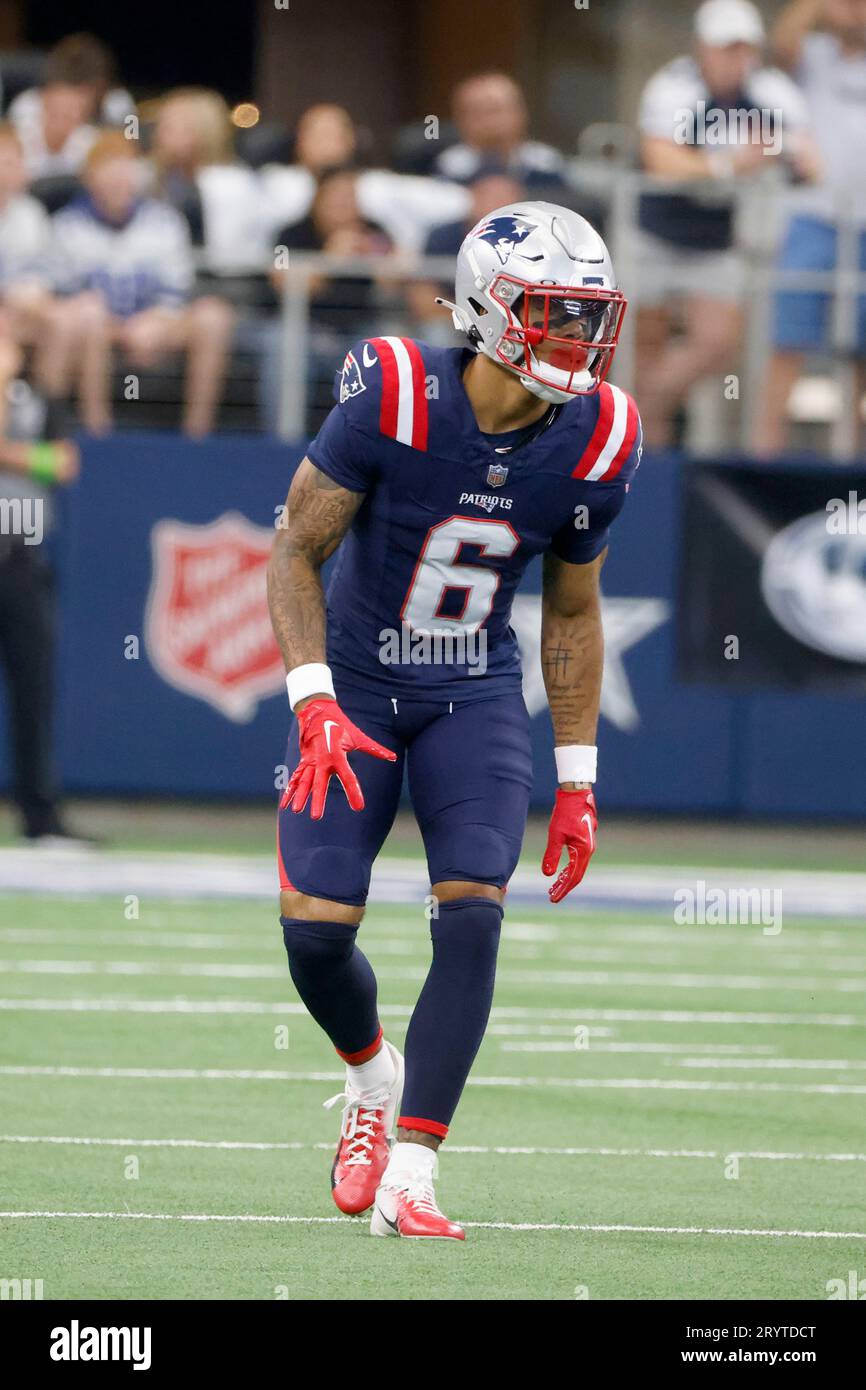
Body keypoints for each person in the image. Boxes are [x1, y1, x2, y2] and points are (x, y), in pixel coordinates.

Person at [268, 201, 641, 1239]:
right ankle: (368, 1077)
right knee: (313, 932)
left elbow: (570, 608)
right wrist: (312, 703)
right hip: (353, 683)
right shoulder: (394, 391)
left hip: (471, 688)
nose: (576, 340)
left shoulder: (600, 434)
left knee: (471, 903)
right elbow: (294, 548)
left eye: (586, 316)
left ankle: (416, 1170)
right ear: (487, 309)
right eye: (550, 314)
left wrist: (577, 777)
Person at [633, 0, 817, 446]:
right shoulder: (674, 86)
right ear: (702, 49)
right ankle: (644, 463)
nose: (735, 60)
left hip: (717, 240)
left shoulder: (772, 92)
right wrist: (729, 166)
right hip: (655, 231)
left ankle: (634, 412)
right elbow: (659, 159)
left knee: (717, 343)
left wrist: (778, 153)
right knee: (646, 344)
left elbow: (811, 164)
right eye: (724, 49)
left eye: (743, 49)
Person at [43, 132, 234, 437]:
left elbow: (176, 293)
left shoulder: (164, 222)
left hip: (157, 325)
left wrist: (155, 324)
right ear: (90, 178)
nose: (120, 180)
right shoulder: (67, 227)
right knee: (90, 315)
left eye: (126, 170)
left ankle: (197, 437)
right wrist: (120, 330)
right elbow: (64, 300)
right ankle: (98, 433)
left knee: (214, 316)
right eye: (109, 171)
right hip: (97, 329)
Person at [754, 0, 866, 454]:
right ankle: (764, 460)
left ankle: (854, 470)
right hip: (812, 219)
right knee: (788, 346)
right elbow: (781, 42)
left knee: (861, 358)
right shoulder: (812, 55)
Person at [0, 437, 81, 842]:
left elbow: (65, 463)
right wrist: (29, 458)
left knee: (33, 692)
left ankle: (40, 817)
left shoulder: (35, 395)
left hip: (20, 556)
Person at [8, 33, 133, 180]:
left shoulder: (120, 102)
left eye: (89, 91)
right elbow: (11, 147)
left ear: (101, 86)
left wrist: (117, 141)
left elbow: (134, 138)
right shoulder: (28, 103)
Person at [0, 125, 55, 435]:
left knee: (58, 319)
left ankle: (46, 422)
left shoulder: (31, 215)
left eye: (12, 163)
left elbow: (39, 287)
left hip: (18, 318)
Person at [433, 72, 568, 193]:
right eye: (476, 112)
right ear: (459, 120)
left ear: (521, 114)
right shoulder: (450, 167)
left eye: (495, 110)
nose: (488, 121)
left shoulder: (546, 163)